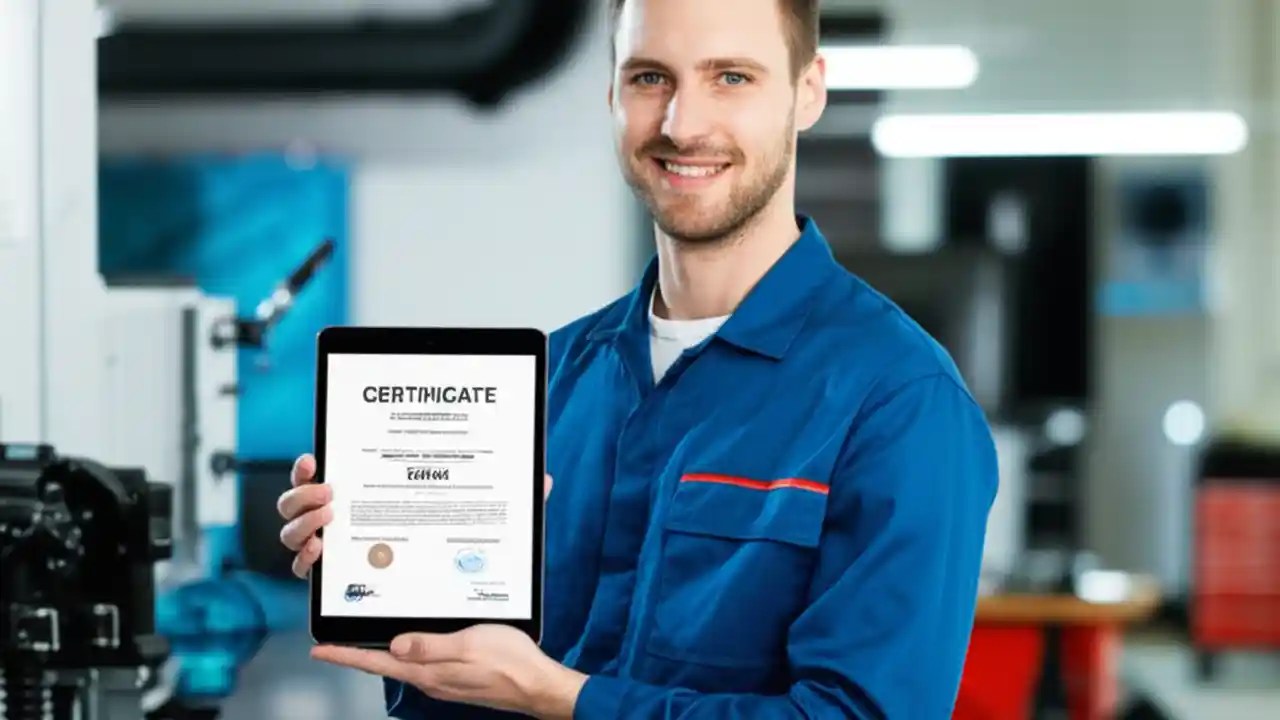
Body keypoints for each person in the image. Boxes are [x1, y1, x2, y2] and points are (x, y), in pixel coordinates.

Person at [277, 0, 998, 716]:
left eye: (732, 78)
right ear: (613, 93)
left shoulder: (901, 402)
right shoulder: (552, 379)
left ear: (807, 91)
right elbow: (475, 694)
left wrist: (563, 698)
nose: (683, 125)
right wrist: (385, 575)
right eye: (651, 78)